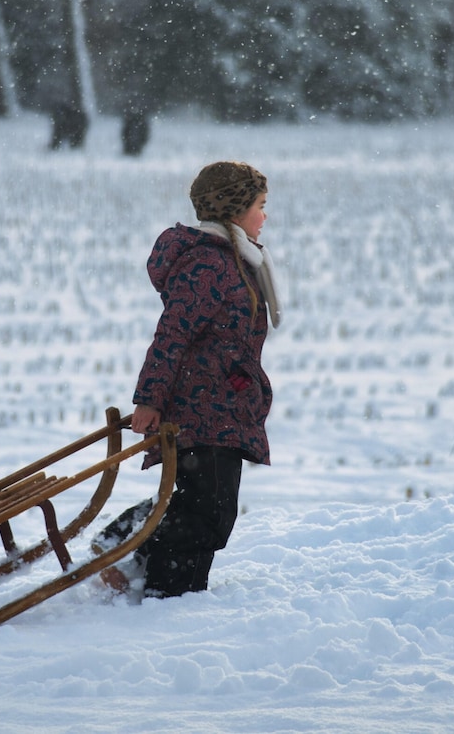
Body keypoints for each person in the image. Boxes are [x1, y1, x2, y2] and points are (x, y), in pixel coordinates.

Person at [115, 160, 282, 599]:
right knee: (205, 512)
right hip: (201, 408)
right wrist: (149, 400)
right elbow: (173, 334)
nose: (265, 216)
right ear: (235, 210)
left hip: (223, 407)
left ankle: (174, 589)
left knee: (208, 511)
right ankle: (157, 585)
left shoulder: (233, 261)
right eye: (260, 206)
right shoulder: (210, 265)